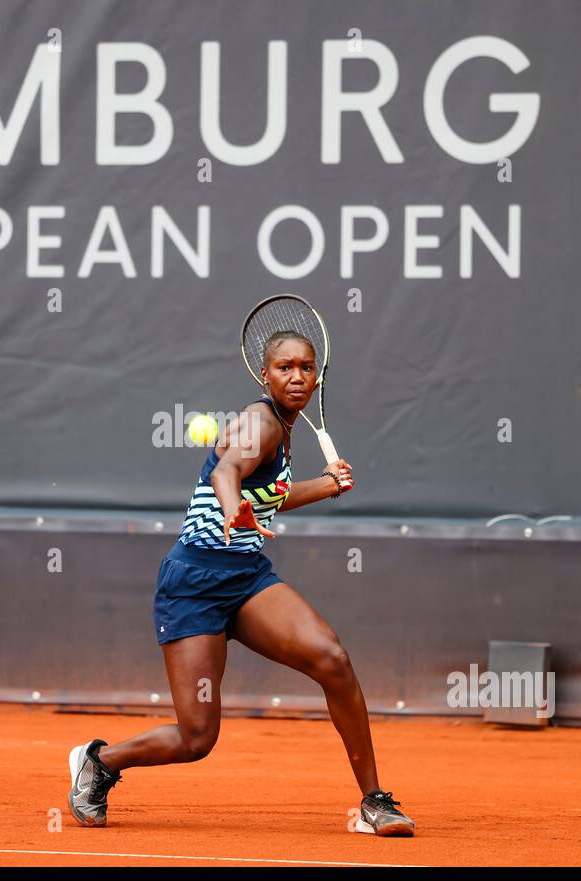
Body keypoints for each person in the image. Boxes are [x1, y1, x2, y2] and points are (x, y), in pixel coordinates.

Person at [67, 329, 414, 837]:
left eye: (307, 368)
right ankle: (100, 761)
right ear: (264, 374)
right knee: (196, 738)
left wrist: (325, 486)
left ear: (317, 376)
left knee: (333, 661)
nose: (297, 377)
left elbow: (269, 493)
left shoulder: (286, 427)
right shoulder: (260, 422)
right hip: (193, 585)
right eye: (285, 368)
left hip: (247, 580)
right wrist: (234, 509)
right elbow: (226, 473)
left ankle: (373, 802)